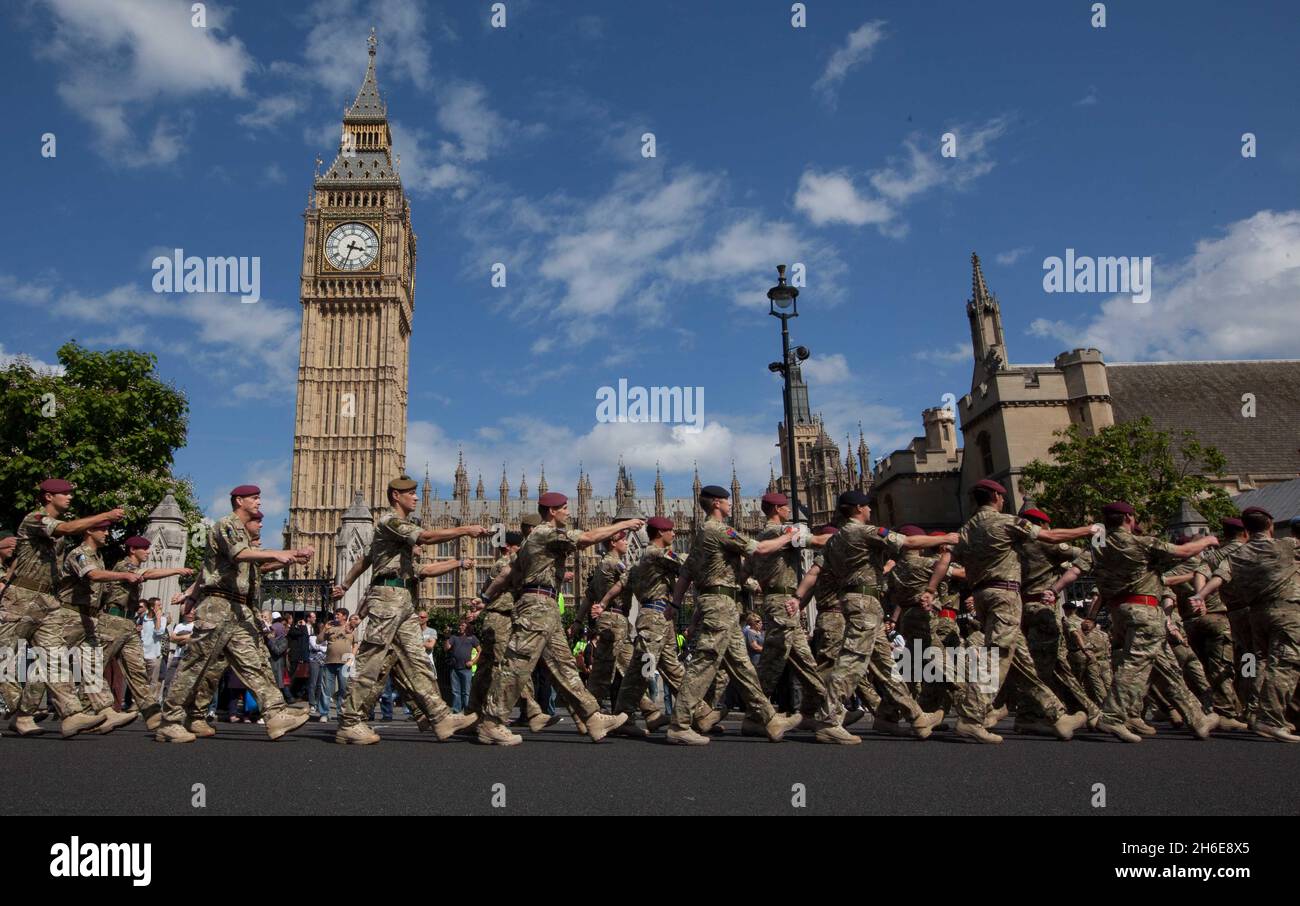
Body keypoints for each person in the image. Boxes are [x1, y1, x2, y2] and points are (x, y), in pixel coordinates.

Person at [929, 479, 1095, 744]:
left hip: (982, 595)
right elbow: (1049, 536)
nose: (1003, 500)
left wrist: (930, 588)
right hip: (1004, 595)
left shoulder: (966, 529)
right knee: (998, 655)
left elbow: (946, 559)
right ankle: (971, 718)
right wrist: (1088, 529)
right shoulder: (1005, 522)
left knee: (1021, 661)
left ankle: (1055, 715)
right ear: (996, 496)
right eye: (1002, 497)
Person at [475, 491, 642, 745]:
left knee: (565, 666)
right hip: (536, 607)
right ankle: (491, 722)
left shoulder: (533, 540)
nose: (568, 511)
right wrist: (625, 524)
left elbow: (508, 572)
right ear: (552, 511)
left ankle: (592, 716)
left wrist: (485, 597)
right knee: (518, 664)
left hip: (547, 606)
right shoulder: (544, 533)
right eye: (564, 508)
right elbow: (586, 538)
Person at [1049, 500, 1220, 743]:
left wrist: (1055, 590)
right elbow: (1183, 552)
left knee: (1167, 667)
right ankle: (1112, 716)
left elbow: (1075, 571)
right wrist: (1207, 540)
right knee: (1135, 664)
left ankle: (1196, 718)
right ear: (1129, 518)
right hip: (1144, 611)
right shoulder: (1142, 542)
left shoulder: (1098, 547)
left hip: (1120, 612)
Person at [155, 484, 315, 743]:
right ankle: (170, 719)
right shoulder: (226, 525)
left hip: (238, 609)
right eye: (254, 498)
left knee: (254, 663)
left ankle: (275, 715)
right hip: (218, 606)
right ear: (239, 501)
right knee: (195, 665)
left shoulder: (241, 533)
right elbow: (238, 556)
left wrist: (293, 555)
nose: (259, 503)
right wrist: (281, 553)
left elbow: (244, 565)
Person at [330, 475, 482, 744]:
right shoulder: (390, 522)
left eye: (415, 492)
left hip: (404, 600)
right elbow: (424, 536)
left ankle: (440, 716)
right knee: (371, 659)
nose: (416, 497)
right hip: (387, 597)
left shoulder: (396, 531)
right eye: (410, 493)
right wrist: (463, 529)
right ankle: (349, 721)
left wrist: (345, 583)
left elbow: (366, 558)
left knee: (419, 660)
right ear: (395, 497)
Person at [664, 484, 805, 746]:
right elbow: (759, 549)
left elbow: (685, 573)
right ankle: (679, 723)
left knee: (742, 666)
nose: (731, 506)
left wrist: (675, 604)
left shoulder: (701, 534)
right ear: (717, 503)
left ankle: (768, 719)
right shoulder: (718, 530)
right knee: (704, 662)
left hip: (723, 603)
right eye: (728, 502)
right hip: (719, 602)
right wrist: (789, 536)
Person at [813, 491, 954, 745]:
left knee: (886, 665)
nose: (870, 510)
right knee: (852, 660)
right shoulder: (864, 531)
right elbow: (907, 543)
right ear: (858, 508)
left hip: (857, 600)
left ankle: (909, 716)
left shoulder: (835, 540)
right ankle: (829, 720)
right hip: (864, 602)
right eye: (867, 507)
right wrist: (946, 537)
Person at [0, 478, 125, 738]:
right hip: (21, 598)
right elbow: (67, 528)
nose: (69, 497)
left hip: (47, 602)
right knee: (3, 656)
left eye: (69, 493)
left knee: (55, 657)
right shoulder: (34, 519)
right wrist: (106, 515)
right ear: (48, 496)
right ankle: (18, 710)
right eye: (64, 494)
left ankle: (70, 714)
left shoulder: (56, 534)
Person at [1190, 506, 1300, 742]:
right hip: (1279, 612)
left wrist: (1200, 596)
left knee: (1251, 660)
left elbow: (1213, 576)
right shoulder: (1284, 545)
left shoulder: (1229, 555)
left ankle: (1250, 706)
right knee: (1281, 661)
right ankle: (1263, 712)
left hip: (1246, 616)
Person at [749, 492, 829, 733]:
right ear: (776, 509)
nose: (788, 510)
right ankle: (756, 716)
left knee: (799, 662)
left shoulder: (766, 535)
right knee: (779, 662)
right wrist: (845, 538)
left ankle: (815, 710)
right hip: (782, 601)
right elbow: (816, 542)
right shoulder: (779, 533)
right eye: (785, 507)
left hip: (780, 602)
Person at [319, 608, 352, 720]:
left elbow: (356, 643)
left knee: (345, 689)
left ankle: (341, 713)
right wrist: (324, 629)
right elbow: (319, 641)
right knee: (326, 689)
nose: (335, 616)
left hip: (345, 663)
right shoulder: (330, 627)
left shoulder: (350, 627)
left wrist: (352, 658)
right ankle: (324, 713)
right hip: (329, 662)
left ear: (344, 616)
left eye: (338, 614)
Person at [445, 620, 479, 713]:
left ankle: (467, 709)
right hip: (455, 668)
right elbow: (447, 648)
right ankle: (456, 709)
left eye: (463, 625)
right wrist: (447, 636)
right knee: (455, 691)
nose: (460, 627)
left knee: (466, 692)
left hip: (466, 668)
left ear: (467, 627)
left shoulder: (472, 638)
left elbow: (480, 651)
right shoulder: (454, 637)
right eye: (459, 625)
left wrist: (473, 662)